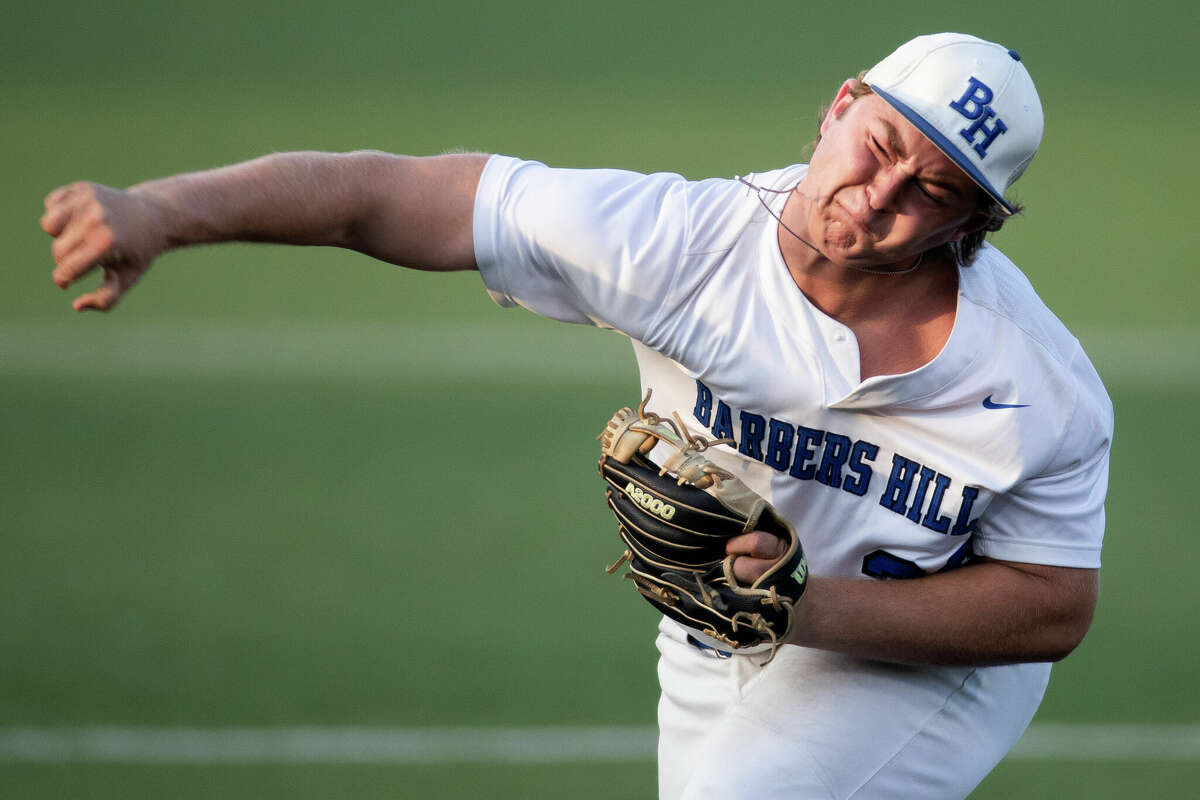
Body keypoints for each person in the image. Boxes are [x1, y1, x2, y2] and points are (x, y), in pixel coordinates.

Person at [42, 32, 1111, 799]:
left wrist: (799, 606)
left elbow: (1052, 608)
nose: (877, 196)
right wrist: (161, 212)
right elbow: (383, 195)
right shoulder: (677, 242)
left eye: (929, 190)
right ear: (839, 106)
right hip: (711, 628)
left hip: (918, 665)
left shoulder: (1037, 388)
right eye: (877, 145)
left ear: (978, 223)